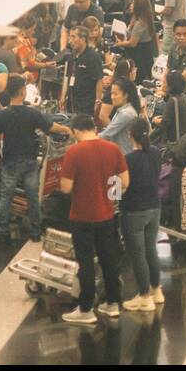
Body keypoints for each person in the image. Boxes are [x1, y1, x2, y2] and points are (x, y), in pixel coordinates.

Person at [58, 115, 128, 325]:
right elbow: (124, 182)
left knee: (86, 262)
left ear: (76, 130)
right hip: (106, 215)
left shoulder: (74, 152)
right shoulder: (113, 149)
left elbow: (66, 187)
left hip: (82, 216)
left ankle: (86, 308)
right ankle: (113, 303)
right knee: (109, 260)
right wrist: (109, 197)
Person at [0, 77, 72, 244]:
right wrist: (66, 128)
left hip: (10, 161)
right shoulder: (33, 113)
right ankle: (35, 231)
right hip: (29, 161)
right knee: (33, 196)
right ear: (22, 91)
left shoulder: (2, 114)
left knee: (6, 196)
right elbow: (50, 127)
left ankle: (3, 231)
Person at [119, 118, 165, 311]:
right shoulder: (155, 153)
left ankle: (144, 296)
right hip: (154, 207)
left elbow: (120, 186)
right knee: (151, 250)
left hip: (134, 210)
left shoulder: (128, 159)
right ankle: (157, 291)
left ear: (130, 135)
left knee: (137, 254)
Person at [98, 77, 141, 155]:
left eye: (115, 94)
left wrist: (87, 138)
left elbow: (106, 134)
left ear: (125, 95)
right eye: (111, 93)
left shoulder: (126, 114)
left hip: (123, 156)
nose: (112, 97)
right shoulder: (123, 110)